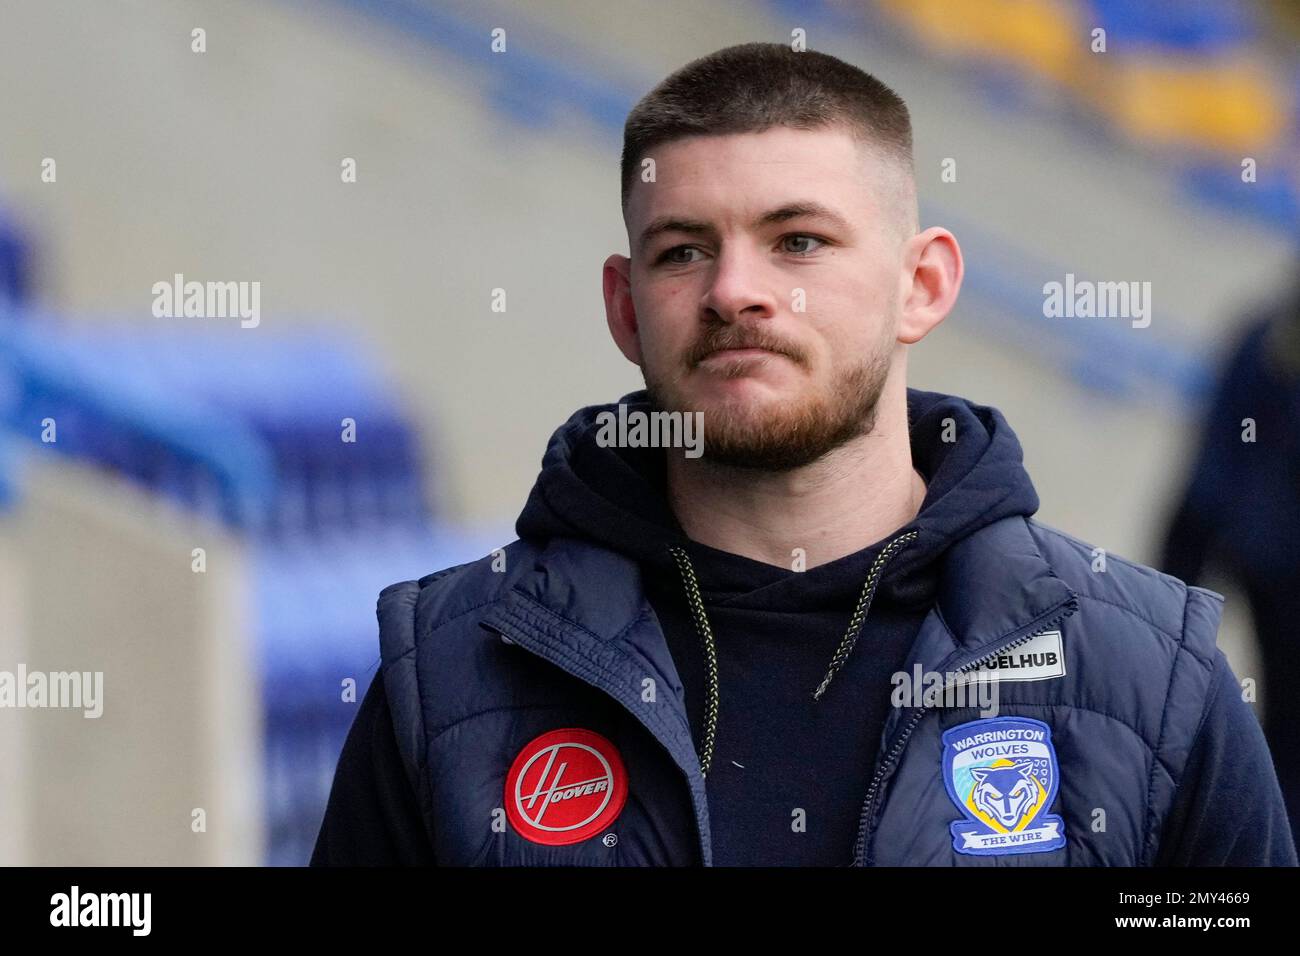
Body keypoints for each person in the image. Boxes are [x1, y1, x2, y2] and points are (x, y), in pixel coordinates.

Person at [312, 42, 1295, 866]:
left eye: (798, 240)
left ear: (923, 283)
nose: (735, 288)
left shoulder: (1149, 680)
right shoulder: (448, 674)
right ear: (624, 305)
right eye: (682, 250)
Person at [1160, 265, 1300, 853]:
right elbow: (1210, 467)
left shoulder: (1263, 333)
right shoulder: (1263, 339)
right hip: (1255, 550)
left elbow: (1208, 472)